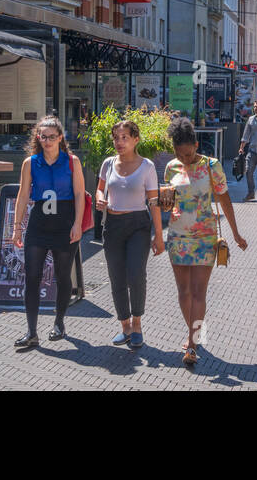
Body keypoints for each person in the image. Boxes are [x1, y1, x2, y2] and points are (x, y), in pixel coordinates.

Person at [160, 116, 246, 365]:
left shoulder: (212, 166)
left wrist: (236, 233)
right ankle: (194, 331)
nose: (185, 160)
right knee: (183, 292)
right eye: (180, 154)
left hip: (205, 237)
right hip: (177, 237)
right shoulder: (171, 168)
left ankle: (193, 341)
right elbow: (169, 203)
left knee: (198, 292)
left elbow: (225, 200)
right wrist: (163, 204)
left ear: (196, 146)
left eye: (188, 154)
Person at [12, 116, 85, 350]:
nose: (47, 141)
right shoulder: (30, 163)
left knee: (62, 277)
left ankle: (59, 322)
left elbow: (80, 194)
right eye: (43, 136)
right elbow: (23, 195)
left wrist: (78, 224)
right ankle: (31, 332)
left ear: (60, 138)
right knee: (31, 276)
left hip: (65, 223)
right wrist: (17, 227)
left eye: (51, 137)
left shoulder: (72, 162)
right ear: (38, 137)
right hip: (39, 223)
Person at [95, 118, 164, 348]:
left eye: (124, 137)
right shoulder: (107, 163)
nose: (119, 142)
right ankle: (124, 326)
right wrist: (99, 198)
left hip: (138, 225)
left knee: (135, 275)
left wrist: (159, 235)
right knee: (117, 278)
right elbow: (99, 188)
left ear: (136, 139)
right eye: (116, 138)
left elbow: (154, 202)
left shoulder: (147, 167)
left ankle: (137, 323)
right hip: (113, 225)